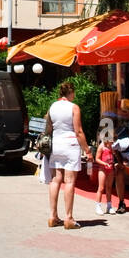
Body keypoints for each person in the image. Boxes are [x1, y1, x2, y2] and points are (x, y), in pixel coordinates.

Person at [43, 82, 90, 230]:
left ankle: (52, 216)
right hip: (70, 145)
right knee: (69, 181)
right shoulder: (74, 107)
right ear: (71, 93)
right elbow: (78, 131)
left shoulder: (53, 107)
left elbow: (49, 128)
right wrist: (87, 150)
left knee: (55, 180)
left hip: (56, 145)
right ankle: (68, 218)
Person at [94, 134, 116, 215]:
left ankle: (109, 206)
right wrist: (104, 163)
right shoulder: (101, 146)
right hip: (103, 169)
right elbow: (97, 158)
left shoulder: (111, 146)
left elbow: (112, 156)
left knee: (109, 187)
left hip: (110, 169)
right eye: (111, 140)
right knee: (101, 187)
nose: (113, 141)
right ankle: (98, 206)